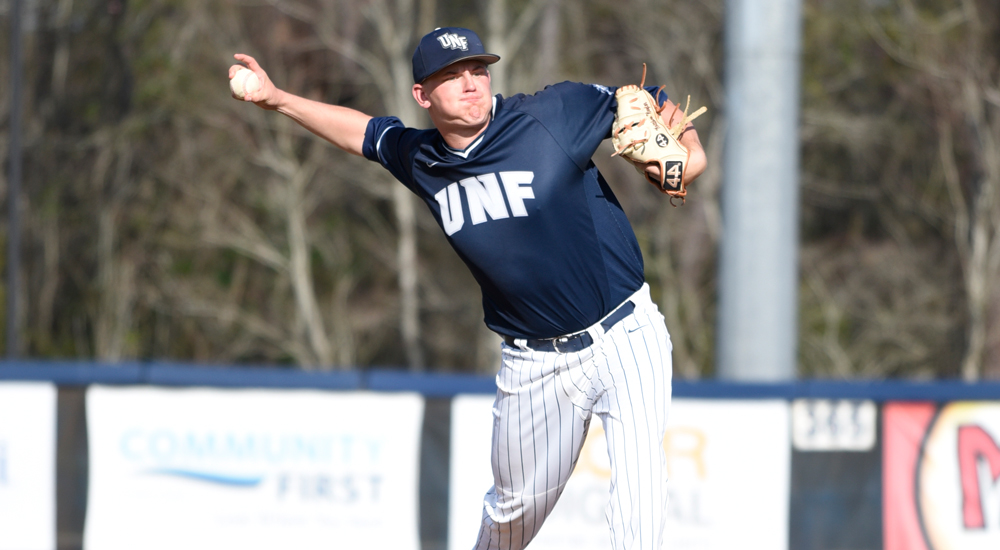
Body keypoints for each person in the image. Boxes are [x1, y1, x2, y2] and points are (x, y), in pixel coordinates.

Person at [231, 26, 705, 550]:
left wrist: (688, 146)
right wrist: (277, 101)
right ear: (422, 95)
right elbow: (363, 133)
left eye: (477, 69)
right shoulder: (422, 160)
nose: (471, 83)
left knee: (639, 494)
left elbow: (646, 98)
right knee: (511, 514)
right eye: (452, 76)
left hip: (625, 333)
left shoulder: (551, 114)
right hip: (534, 364)